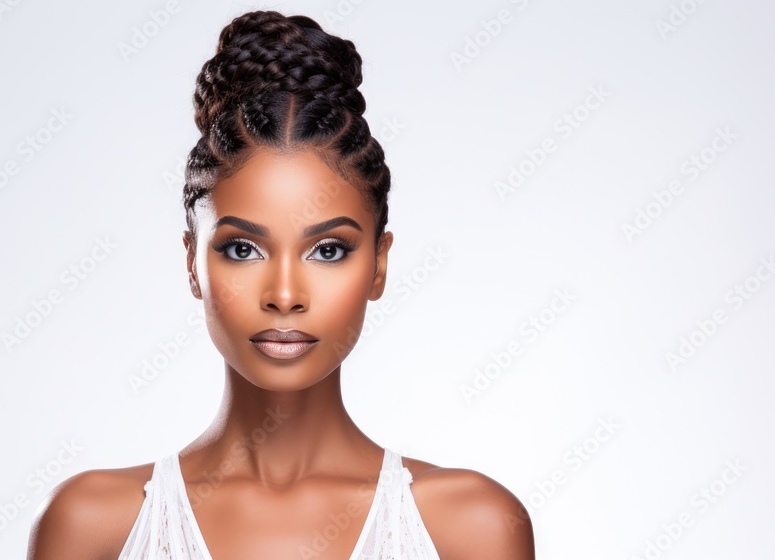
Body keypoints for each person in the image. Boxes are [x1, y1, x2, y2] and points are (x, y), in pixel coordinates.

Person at [27, 10, 534, 559]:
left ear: (379, 265)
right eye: (242, 249)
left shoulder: (471, 527)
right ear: (193, 264)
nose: (285, 294)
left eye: (328, 250)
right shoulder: (92, 526)